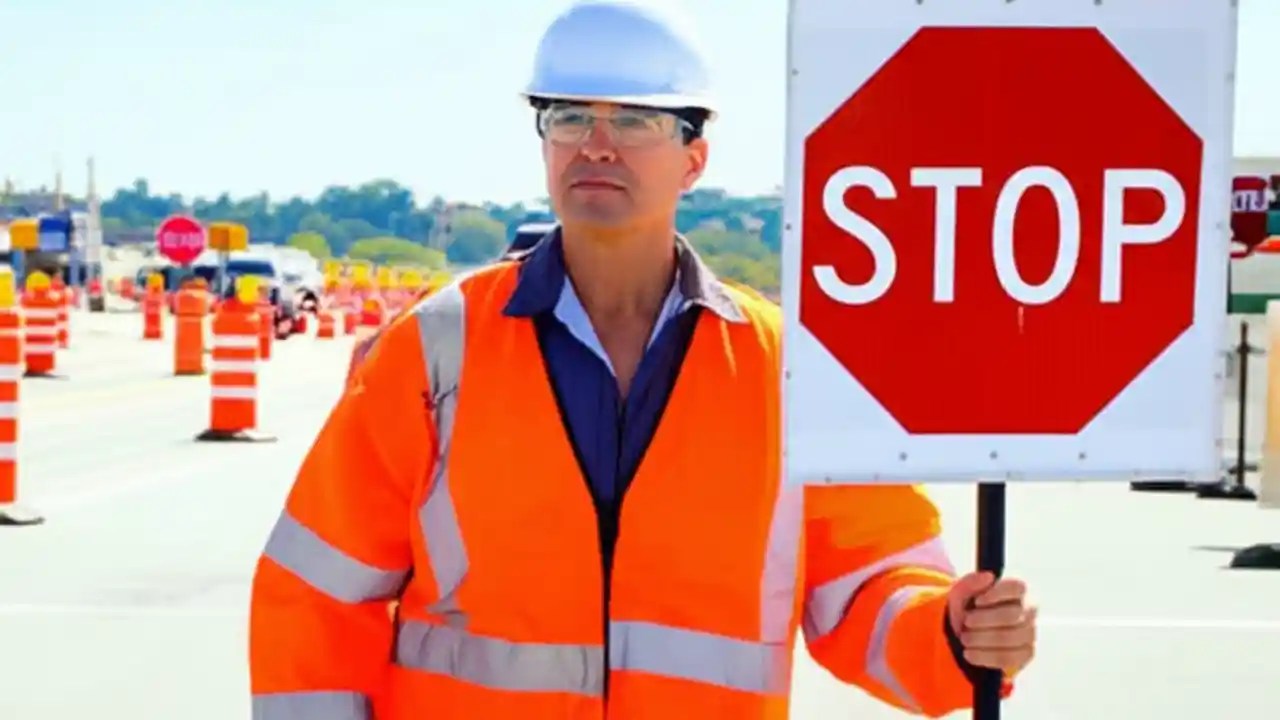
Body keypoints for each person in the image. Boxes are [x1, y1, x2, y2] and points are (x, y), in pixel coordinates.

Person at [247, 2, 1039, 718]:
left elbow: (871, 584)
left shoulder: (788, 369)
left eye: (635, 121)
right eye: (567, 117)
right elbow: (315, 594)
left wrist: (950, 633)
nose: (596, 144)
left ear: (696, 158)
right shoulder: (435, 348)